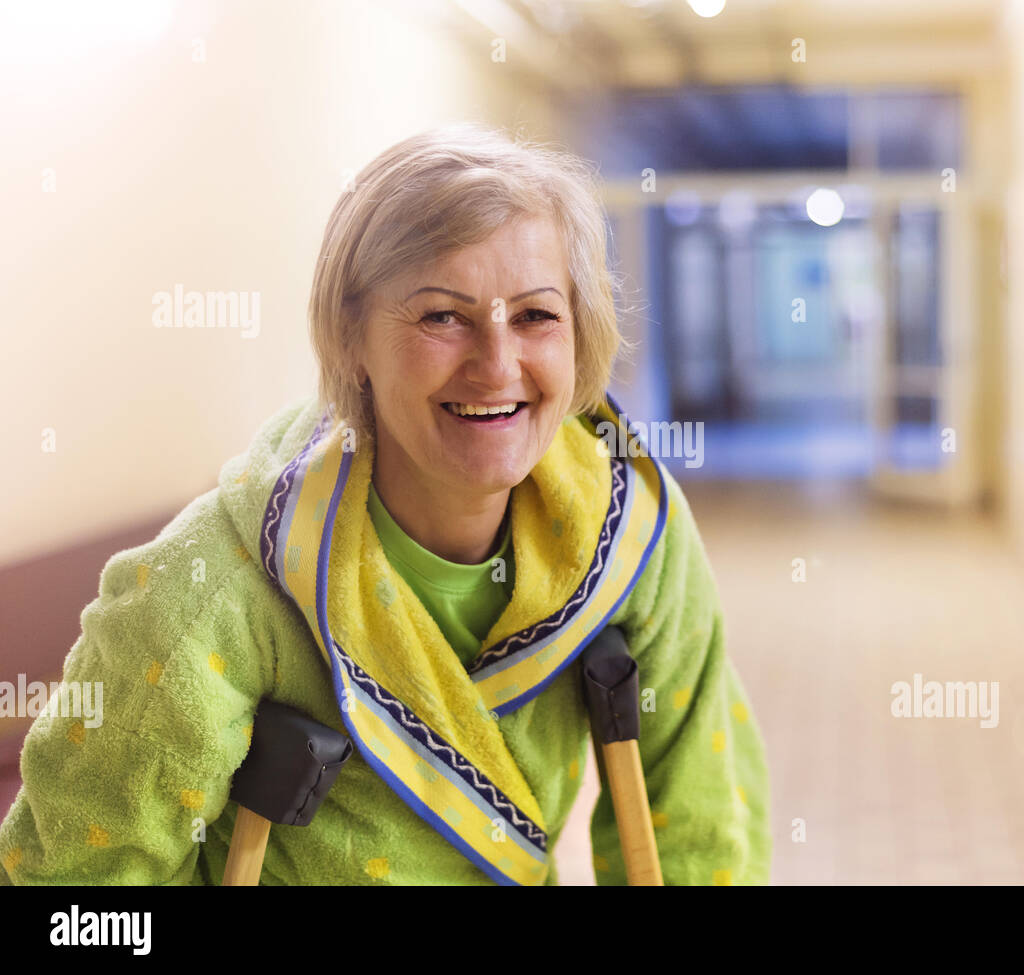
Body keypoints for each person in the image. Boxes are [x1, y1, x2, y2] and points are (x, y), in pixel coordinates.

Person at [0, 122, 772, 885]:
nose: (497, 365)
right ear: (350, 338)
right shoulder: (208, 593)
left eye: (536, 315)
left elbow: (704, 828)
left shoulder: (635, 536)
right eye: (443, 315)